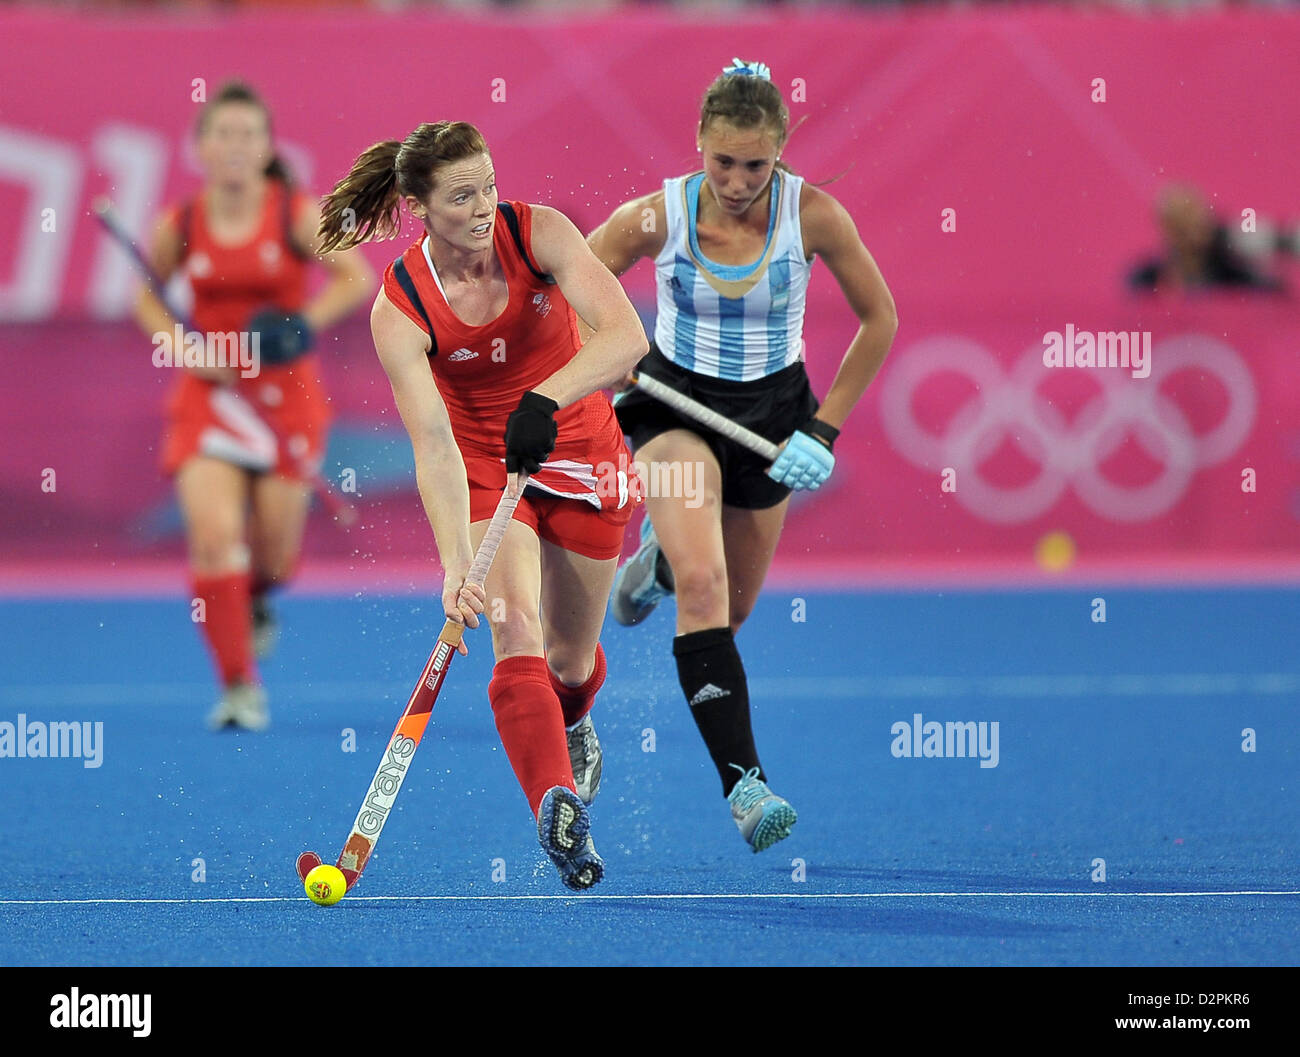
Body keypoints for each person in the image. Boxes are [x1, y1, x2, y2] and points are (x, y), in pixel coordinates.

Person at [317, 121, 647, 891]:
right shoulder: (399, 308)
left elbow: (624, 337)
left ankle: (574, 711)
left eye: (488, 185)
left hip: (585, 449)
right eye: (461, 195)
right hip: (486, 470)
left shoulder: (540, 235)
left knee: (569, 658)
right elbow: (431, 443)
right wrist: (455, 563)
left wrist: (546, 397)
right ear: (418, 207)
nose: (482, 207)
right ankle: (555, 805)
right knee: (513, 624)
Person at [586, 59, 898, 852]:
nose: (734, 180)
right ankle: (745, 786)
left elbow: (879, 320)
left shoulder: (814, 217)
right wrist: (605, 349)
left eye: (753, 165)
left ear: (780, 153)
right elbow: (569, 285)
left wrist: (823, 429)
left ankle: (653, 568)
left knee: (732, 610)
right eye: (721, 161)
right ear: (698, 144)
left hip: (773, 416)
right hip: (672, 406)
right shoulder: (655, 219)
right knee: (704, 582)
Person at [133, 80, 374, 732]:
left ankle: (259, 598)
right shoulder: (178, 223)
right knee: (214, 541)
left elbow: (357, 277)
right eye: (223, 133)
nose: (235, 145)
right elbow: (148, 296)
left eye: (248, 134)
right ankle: (239, 685)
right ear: (200, 147)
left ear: (267, 147)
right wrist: (184, 349)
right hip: (212, 397)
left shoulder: (295, 212)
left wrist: (301, 323)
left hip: (284, 401)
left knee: (272, 558)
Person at [1128, 183, 1286, 293]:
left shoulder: (1237, 279)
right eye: (1180, 225)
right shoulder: (1145, 281)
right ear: (1165, 228)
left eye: (1195, 221)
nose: (1190, 231)